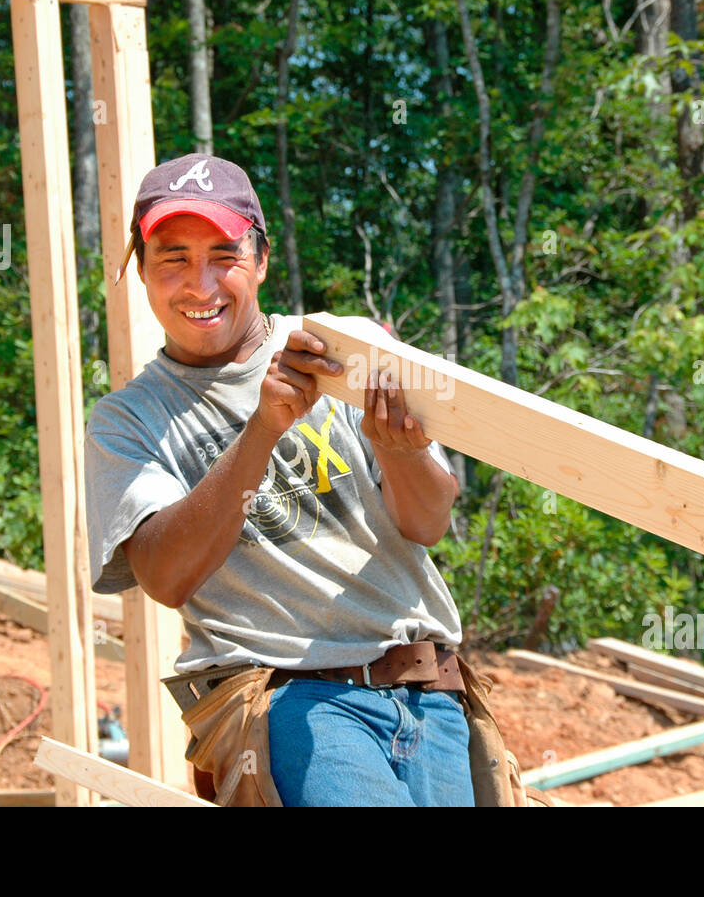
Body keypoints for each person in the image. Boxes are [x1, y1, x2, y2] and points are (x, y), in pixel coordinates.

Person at [83, 152, 478, 806]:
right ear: (142, 273)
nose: (199, 283)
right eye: (172, 258)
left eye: (224, 255)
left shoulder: (340, 350)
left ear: (261, 261)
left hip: (427, 693)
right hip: (287, 697)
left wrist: (402, 452)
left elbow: (428, 523)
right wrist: (261, 429)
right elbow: (164, 575)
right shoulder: (129, 420)